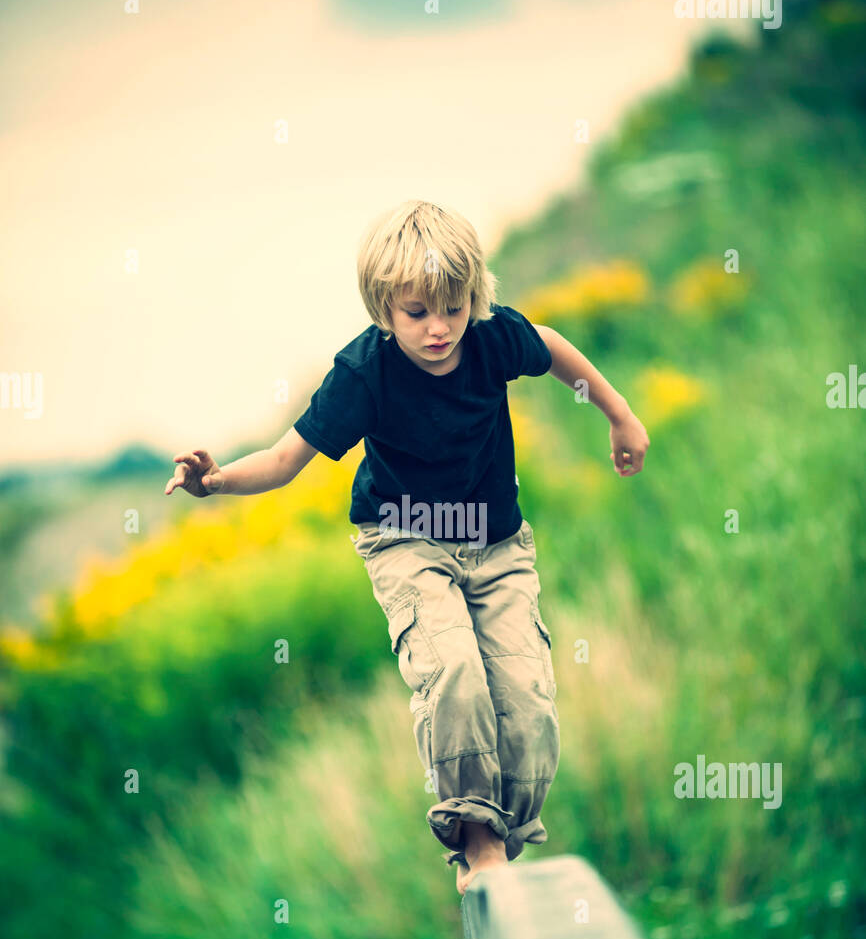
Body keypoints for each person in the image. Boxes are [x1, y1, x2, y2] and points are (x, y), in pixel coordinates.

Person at [165, 199, 649, 894]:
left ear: (473, 298)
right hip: (405, 541)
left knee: (529, 702)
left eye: (452, 308)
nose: (438, 328)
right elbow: (282, 460)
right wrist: (214, 483)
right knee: (452, 670)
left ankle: (505, 839)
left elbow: (552, 348)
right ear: (384, 309)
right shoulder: (365, 373)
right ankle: (476, 839)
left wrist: (621, 416)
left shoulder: (491, 339)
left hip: (498, 546)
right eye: (417, 312)